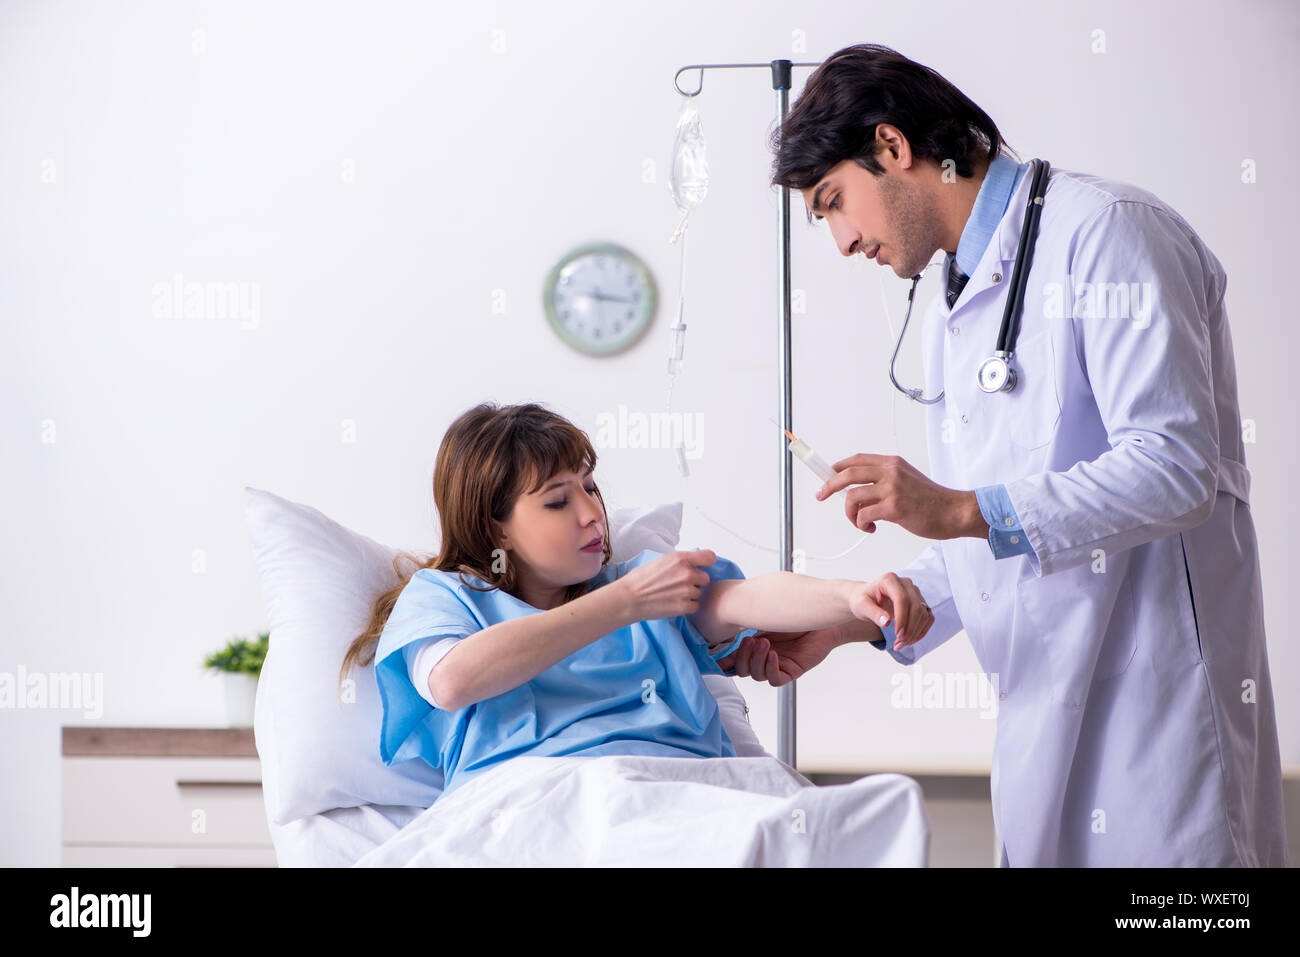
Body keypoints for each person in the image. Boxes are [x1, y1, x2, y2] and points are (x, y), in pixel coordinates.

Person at [723, 43, 1287, 867]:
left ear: (892, 147)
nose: (842, 242)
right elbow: (1000, 525)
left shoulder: (1108, 235)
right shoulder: (958, 300)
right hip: (1043, 718)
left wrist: (958, 508)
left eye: (833, 201)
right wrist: (863, 620)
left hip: (1157, 725)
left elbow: (1174, 466)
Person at [338, 401, 932, 800]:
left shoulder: (646, 582)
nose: (592, 512)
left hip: (683, 794)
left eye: (590, 486)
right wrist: (623, 603)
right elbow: (453, 681)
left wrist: (854, 596)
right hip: (535, 804)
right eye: (556, 501)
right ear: (495, 527)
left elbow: (750, 599)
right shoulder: (447, 597)